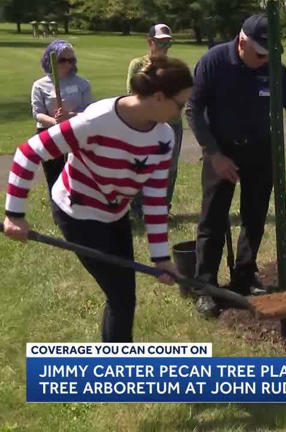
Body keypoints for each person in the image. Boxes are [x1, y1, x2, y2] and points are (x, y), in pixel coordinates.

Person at [4, 57, 193, 342]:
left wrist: (161, 258)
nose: (182, 111)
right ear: (157, 96)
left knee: (123, 296)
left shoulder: (163, 138)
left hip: (115, 213)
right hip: (77, 213)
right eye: (179, 104)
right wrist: (14, 215)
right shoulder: (98, 120)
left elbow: (154, 199)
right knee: (121, 296)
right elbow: (29, 152)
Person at [186, 14, 286, 315]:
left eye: (270, 54)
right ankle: (204, 287)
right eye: (260, 54)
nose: (265, 60)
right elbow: (194, 109)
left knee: (255, 216)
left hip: (261, 150)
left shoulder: (274, 69)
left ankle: (245, 277)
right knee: (213, 220)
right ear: (242, 41)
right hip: (221, 151)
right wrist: (214, 153)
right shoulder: (213, 62)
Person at [127, 24, 183, 216]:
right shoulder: (137, 65)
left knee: (170, 165)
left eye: (168, 43)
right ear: (150, 42)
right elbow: (131, 94)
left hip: (172, 122)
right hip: (146, 123)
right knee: (141, 163)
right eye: (160, 43)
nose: (164, 47)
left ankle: (162, 207)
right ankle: (138, 208)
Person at [32, 39, 92, 192]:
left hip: (76, 131)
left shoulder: (82, 84)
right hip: (48, 133)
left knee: (77, 177)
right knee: (54, 177)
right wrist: (54, 121)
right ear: (51, 60)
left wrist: (69, 116)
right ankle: (57, 209)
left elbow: (88, 112)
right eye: (62, 60)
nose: (67, 64)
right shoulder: (40, 85)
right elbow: (37, 113)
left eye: (71, 60)